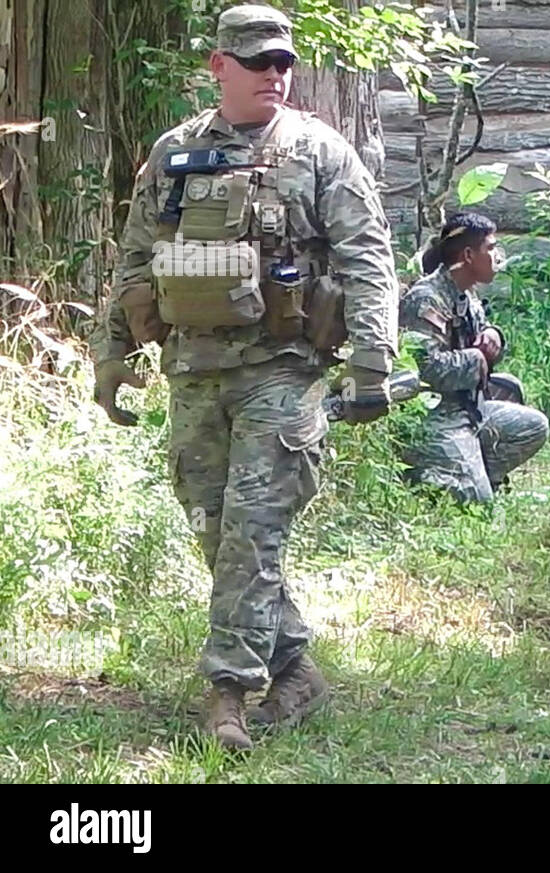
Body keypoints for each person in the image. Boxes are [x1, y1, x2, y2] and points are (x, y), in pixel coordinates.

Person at [91, 4, 399, 750]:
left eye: (284, 62)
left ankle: (229, 691)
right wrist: (111, 358)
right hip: (194, 370)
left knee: (253, 532)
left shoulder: (321, 153)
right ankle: (296, 667)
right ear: (219, 66)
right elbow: (136, 259)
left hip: (283, 371)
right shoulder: (173, 155)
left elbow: (368, 257)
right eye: (258, 61)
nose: (275, 74)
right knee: (216, 528)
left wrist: (372, 362)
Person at [398, 212, 549, 502]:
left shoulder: (467, 295)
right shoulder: (426, 298)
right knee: (477, 505)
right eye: (490, 248)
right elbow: (422, 369)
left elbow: (483, 348)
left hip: (469, 411)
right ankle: (424, 475)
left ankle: (473, 472)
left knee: (534, 426)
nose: (497, 256)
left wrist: (494, 336)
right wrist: (474, 358)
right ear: (468, 255)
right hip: (434, 418)